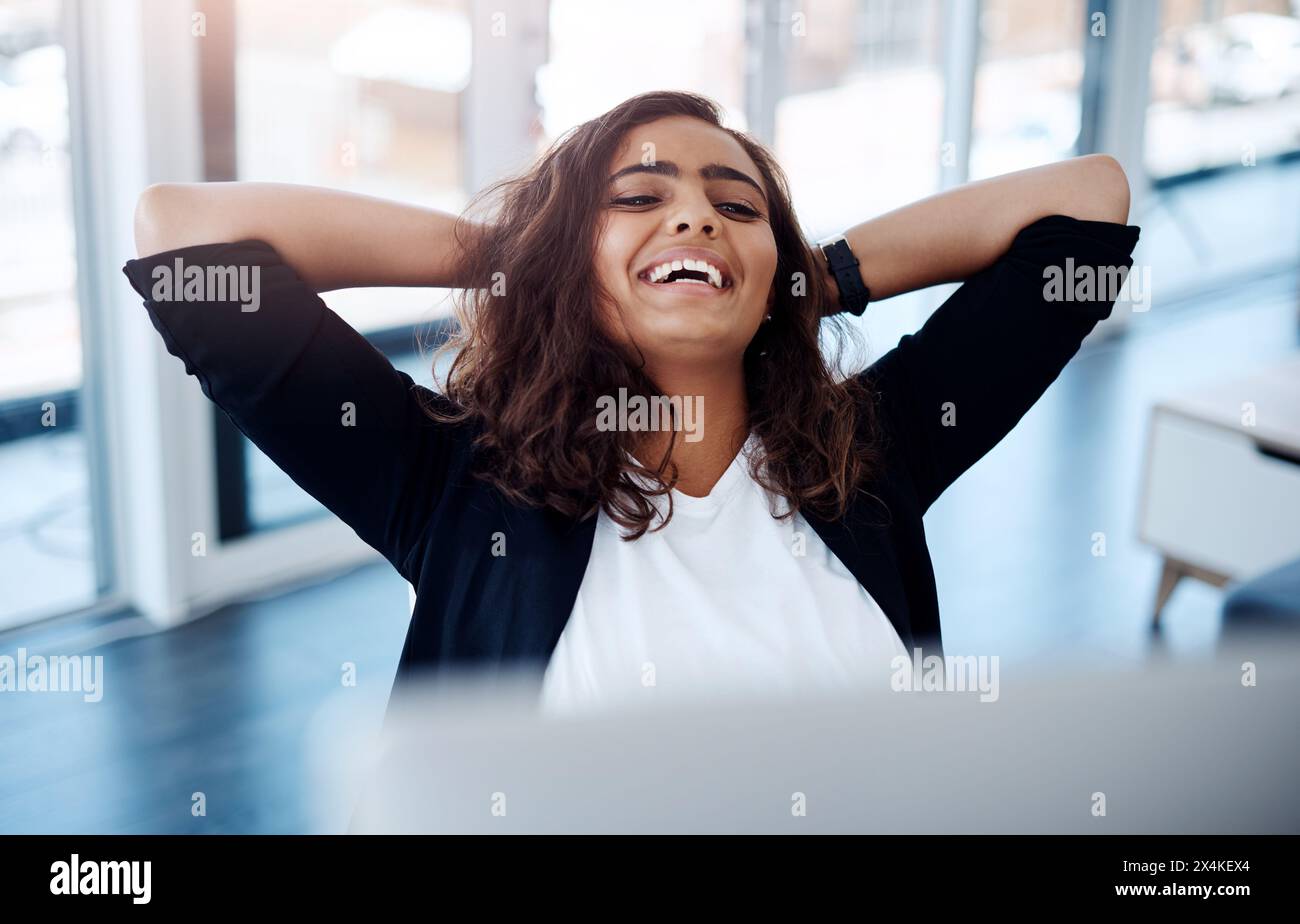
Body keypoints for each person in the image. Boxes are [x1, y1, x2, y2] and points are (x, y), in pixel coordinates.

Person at [123, 90, 1139, 716]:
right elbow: (184, 236)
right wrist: (529, 254)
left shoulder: (873, 451)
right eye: (638, 198)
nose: (696, 210)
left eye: (734, 206)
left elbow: (1089, 206)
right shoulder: (452, 483)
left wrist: (808, 274)